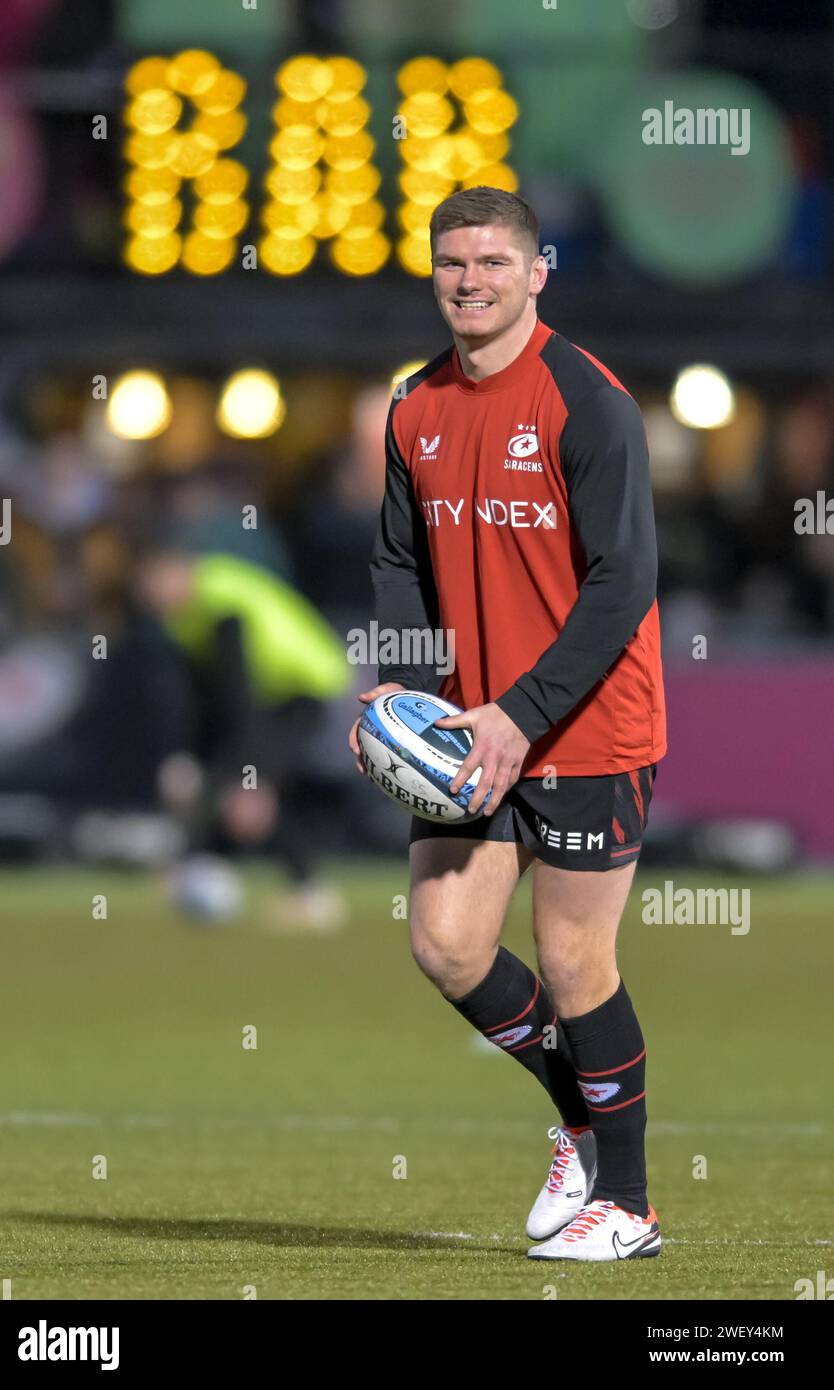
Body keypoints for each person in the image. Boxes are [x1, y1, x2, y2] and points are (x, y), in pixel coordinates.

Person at [349, 187, 667, 1260]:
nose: (468, 279)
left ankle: (625, 1206)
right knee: (444, 945)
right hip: (465, 729)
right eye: (451, 262)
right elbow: (399, 562)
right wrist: (407, 689)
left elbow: (623, 580)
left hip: (582, 722)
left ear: (537, 273)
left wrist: (520, 714)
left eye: (491, 262)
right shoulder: (410, 406)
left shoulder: (588, 403)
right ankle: (578, 1123)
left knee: (574, 963)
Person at [137, 548, 352, 929]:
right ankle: (205, 867)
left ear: (179, 569)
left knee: (250, 795)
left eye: (157, 581)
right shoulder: (184, 619)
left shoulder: (219, 599)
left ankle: (312, 894)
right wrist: (188, 757)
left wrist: (235, 773)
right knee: (243, 792)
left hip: (304, 686)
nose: (150, 596)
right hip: (273, 695)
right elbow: (208, 701)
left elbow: (238, 702)